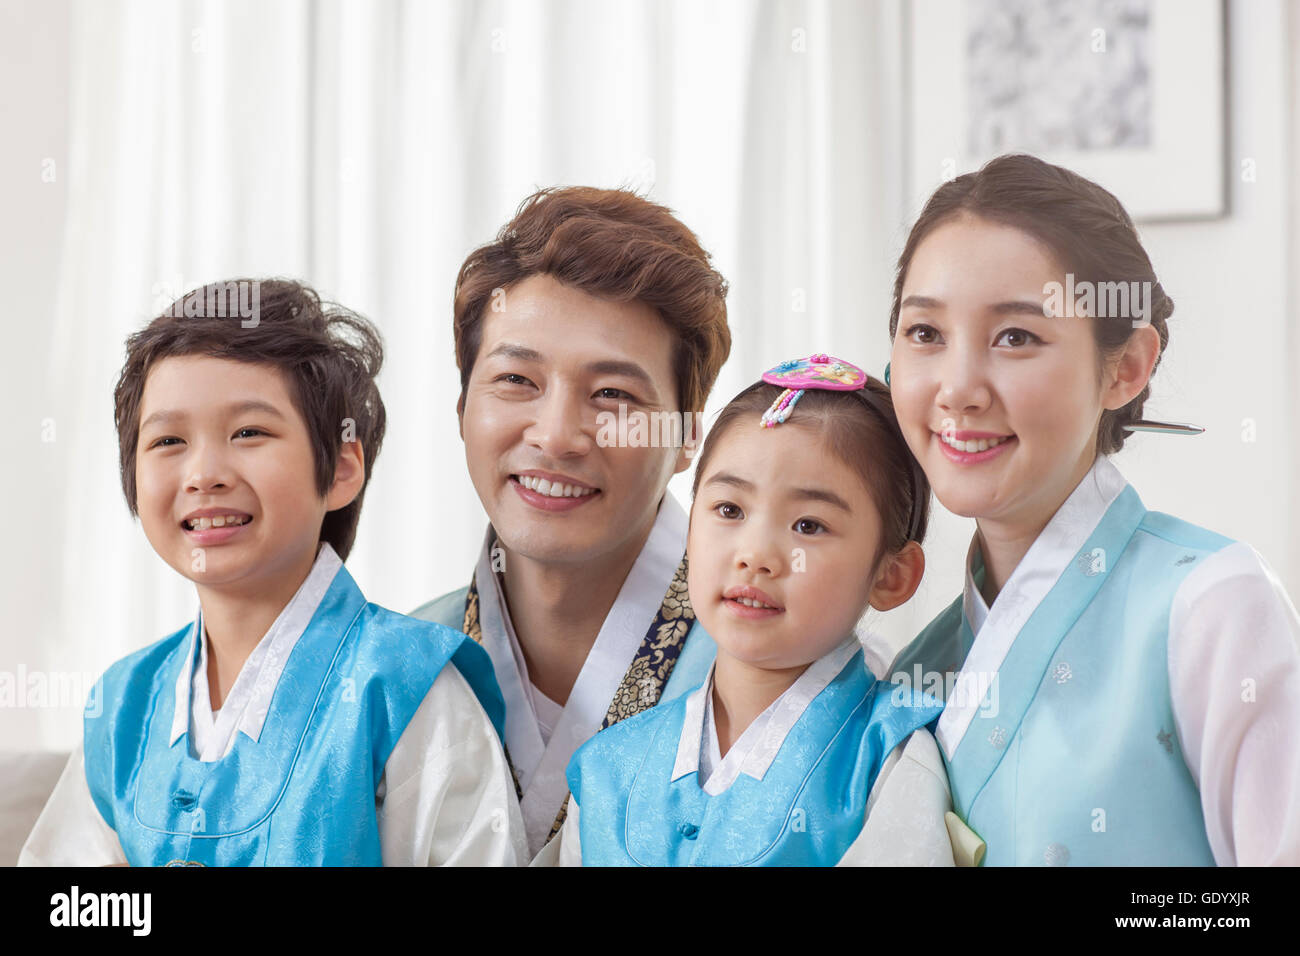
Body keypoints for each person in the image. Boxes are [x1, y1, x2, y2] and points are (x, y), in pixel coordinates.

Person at [882, 154, 1300, 865]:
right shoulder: (918, 668)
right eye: (925, 333)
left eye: (1016, 336)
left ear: (1126, 367)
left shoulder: (1214, 607)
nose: (957, 388)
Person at [20, 280, 525, 866]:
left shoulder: (406, 690)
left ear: (340, 467)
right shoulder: (122, 706)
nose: (204, 473)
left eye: (248, 433)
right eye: (168, 440)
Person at [539, 356, 983, 866]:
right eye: (729, 510)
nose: (755, 554)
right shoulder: (606, 768)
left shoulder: (888, 756)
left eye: (808, 525)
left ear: (891, 575)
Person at [413, 187, 731, 854]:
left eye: (613, 394)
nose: (556, 436)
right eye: (516, 382)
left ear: (686, 438)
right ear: (462, 408)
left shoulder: (783, 664)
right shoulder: (400, 663)